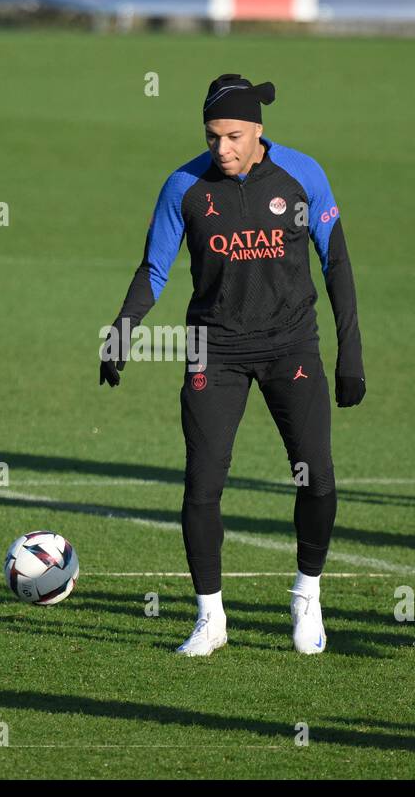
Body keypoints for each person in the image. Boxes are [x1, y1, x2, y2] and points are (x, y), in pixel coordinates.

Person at [101, 74, 364, 656]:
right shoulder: (185, 187)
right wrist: (121, 332)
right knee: (202, 485)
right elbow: (154, 269)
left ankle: (307, 594)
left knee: (315, 476)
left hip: (290, 344)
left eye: (235, 136)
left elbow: (337, 263)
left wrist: (351, 354)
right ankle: (210, 618)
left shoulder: (303, 176)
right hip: (212, 349)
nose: (223, 148)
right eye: (214, 136)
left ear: (259, 131)